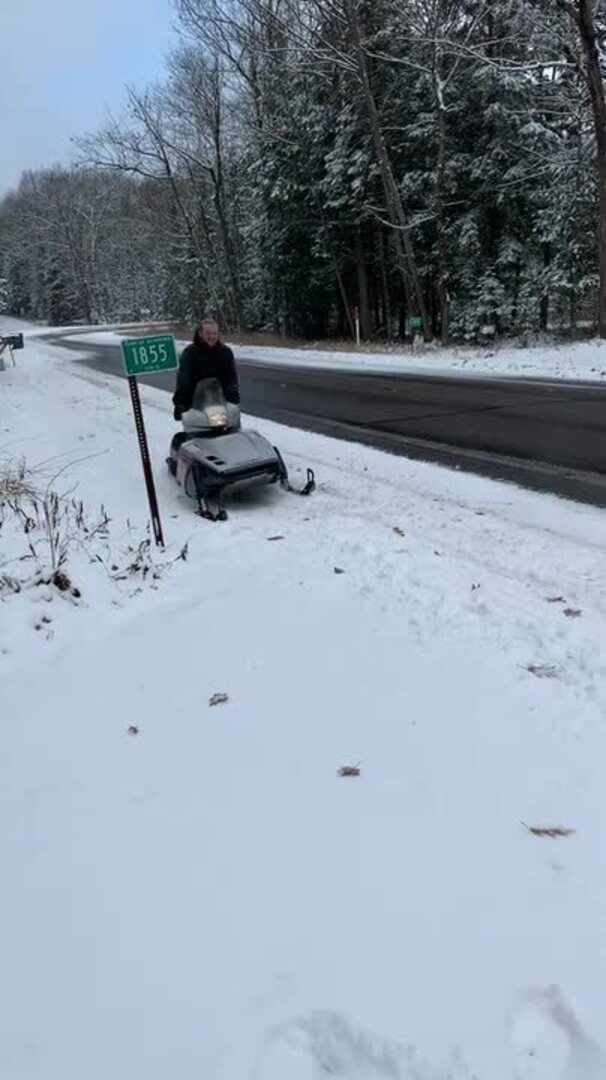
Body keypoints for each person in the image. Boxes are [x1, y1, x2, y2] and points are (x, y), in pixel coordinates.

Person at [172, 318, 240, 421]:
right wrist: (181, 403)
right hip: (197, 407)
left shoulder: (225, 352)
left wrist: (233, 396)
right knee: (192, 432)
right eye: (208, 333)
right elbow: (184, 380)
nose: (212, 337)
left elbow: (231, 377)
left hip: (222, 405)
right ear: (200, 333)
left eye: (214, 333)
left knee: (234, 429)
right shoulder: (190, 354)